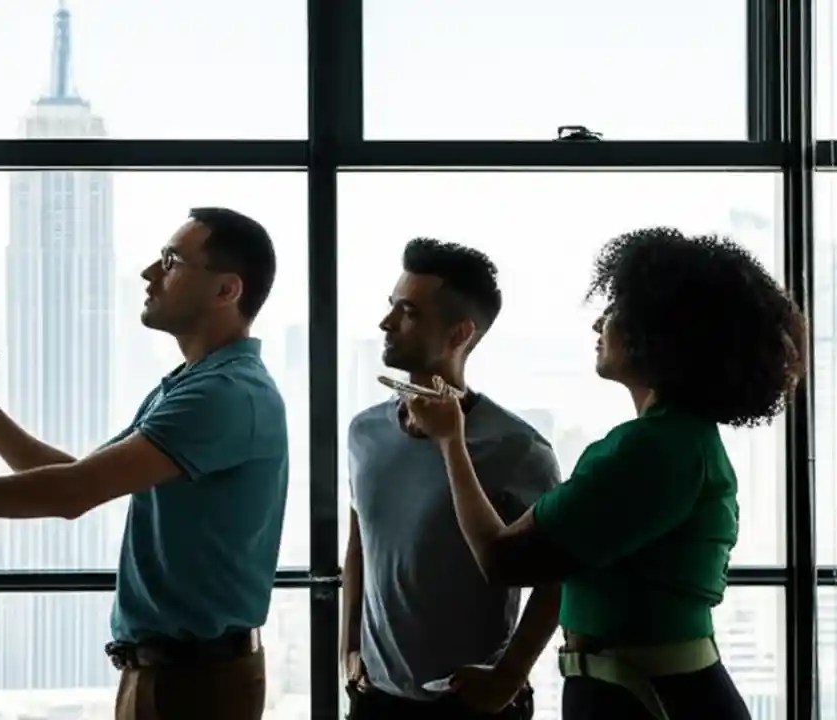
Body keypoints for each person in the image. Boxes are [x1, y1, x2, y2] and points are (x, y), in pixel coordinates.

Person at [0, 207, 289, 720]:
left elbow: (71, 493)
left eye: (171, 261)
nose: (149, 273)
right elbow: (74, 474)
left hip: (193, 685)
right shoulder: (193, 385)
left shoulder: (225, 394)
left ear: (227, 290)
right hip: (169, 676)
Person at [402, 227, 807, 720]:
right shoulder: (681, 441)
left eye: (614, 311)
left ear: (655, 332)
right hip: (644, 692)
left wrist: (451, 441)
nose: (599, 323)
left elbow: (504, 560)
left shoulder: (653, 449)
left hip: (647, 699)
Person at [342, 238, 563, 720]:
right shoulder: (364, 432)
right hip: (374, 701)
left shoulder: (518, 448)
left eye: (408, 313)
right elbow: (360, 540)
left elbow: (557, 582)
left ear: (460, 333)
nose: (386, 323)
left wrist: (507, 678)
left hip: (472, 704)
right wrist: (349, 650)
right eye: (390, 308)